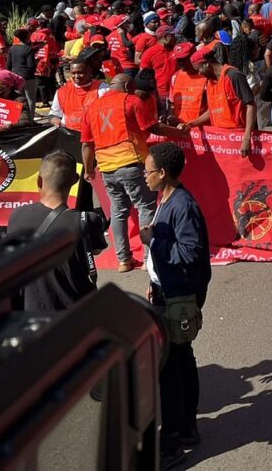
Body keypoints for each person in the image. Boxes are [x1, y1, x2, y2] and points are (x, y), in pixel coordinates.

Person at [142, 142, 211, 467]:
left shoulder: (183, 206)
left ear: (164, 173)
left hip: (179, 297)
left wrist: (154, 240)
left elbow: (190, 253)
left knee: (171, 368)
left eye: (148, 171)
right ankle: (187, 428)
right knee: (181, 359)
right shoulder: (165, 198)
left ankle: (172, 439)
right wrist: (153, 281)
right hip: (165, 291)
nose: (144, 176)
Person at [82, 74, 176, 272]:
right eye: (132, 87)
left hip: (107, 167)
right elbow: (154, 127)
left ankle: (124, 260)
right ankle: (149, 258)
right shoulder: (131, 100)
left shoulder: (91, 107)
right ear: (126, 85)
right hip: (132, 162)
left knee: (118, 211)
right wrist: (181, 133)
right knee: (146, 207)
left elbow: (86, 145)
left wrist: (89, 169)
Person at [7, 151, 104, 311]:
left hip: (30, 312)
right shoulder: (87, 221)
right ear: (75, 180)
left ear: (39, 180)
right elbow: (96, 249)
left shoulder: (17, 215)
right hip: (74, 313)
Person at [184, 47, 258, 156]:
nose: (199, 73)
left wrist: (247, 138)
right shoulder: (210, 82)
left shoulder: (233, 75)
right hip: (221, 140)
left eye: (198, 69)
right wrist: (191, 124)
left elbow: (251, 106)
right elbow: (212, 111)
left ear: (206, 64)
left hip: (238, 137)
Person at [50, 56, 106, 131]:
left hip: (95, 134)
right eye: (73, 73)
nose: (76, 76)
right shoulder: (62, 91)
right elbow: (53, 115)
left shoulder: (103, 89)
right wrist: (56, 121)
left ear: (90, 71)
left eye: (80, 73)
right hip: (70, 135)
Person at [7, 27, 40, 119]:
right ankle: (30, 119)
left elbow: (8, 65)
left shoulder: (12, 48)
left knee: (18, 98)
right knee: (30, 99)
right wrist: (36, 63)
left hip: (16, 77)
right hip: (28, 77)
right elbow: (31, 66)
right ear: (27, 37)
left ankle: (17, 118)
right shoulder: (28, 49)